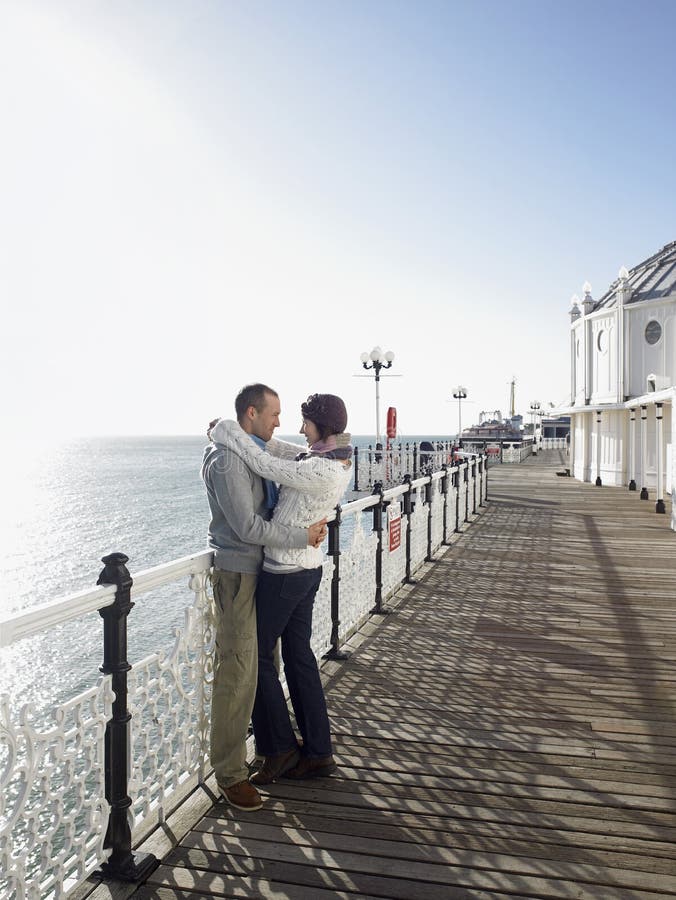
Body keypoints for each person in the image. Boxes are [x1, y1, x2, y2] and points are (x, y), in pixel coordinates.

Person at [209, 393, 352, 786]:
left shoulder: (320, 469)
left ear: (322, 427)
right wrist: (232, 429)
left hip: (285, 572)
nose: (299, 428)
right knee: (299, 657)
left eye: (306, 422)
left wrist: (225, 431)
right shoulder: (326, 457)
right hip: (305, 572)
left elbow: (261, 461)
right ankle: (319, 752)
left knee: (257, 660)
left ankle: (280, 748)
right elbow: (276, 448)